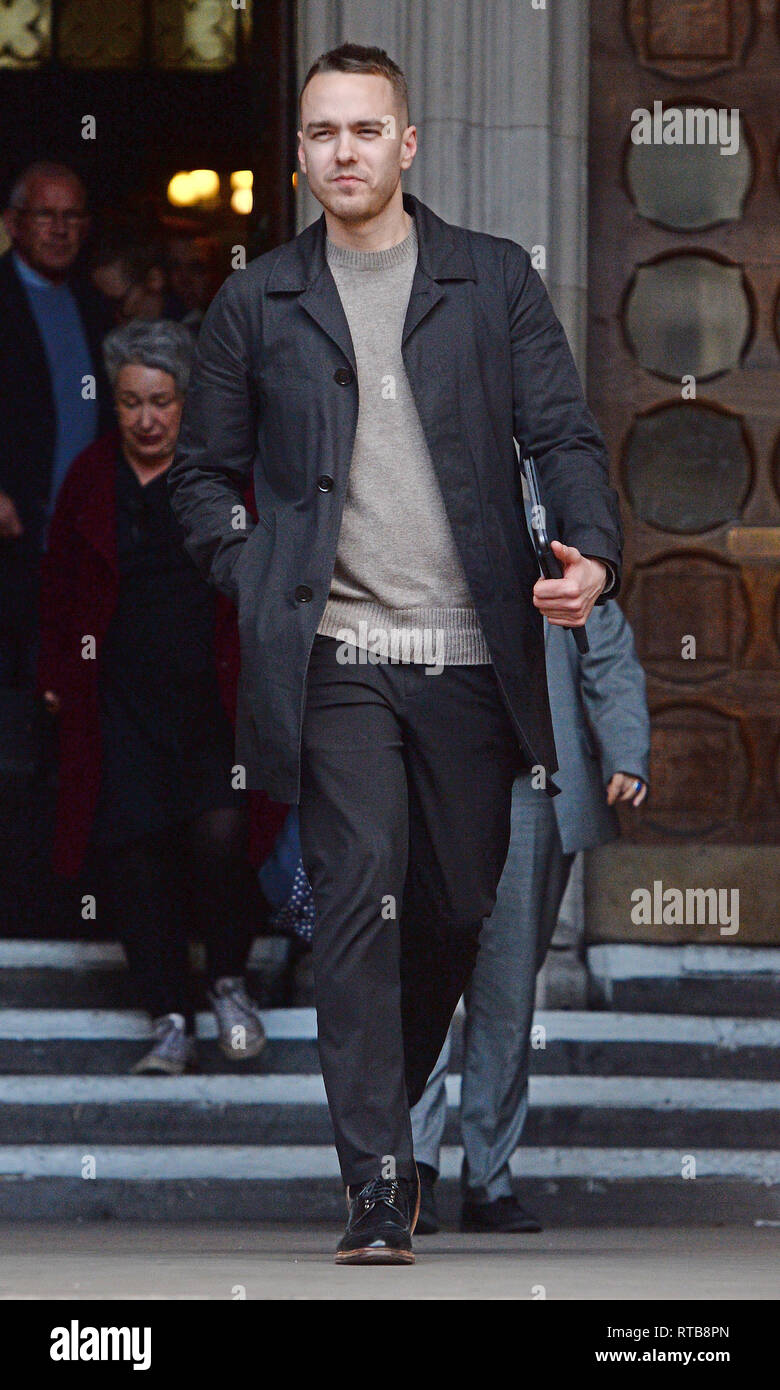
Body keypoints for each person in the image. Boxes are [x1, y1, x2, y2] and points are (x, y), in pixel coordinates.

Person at [166, 43, 623, 1264]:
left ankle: (384, 1116)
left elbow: (565, 433)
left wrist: (589, 550)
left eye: (368, 130)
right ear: (301, 152)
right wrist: (253, 570)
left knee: (458, 907)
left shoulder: (491, 281)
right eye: (323, 133)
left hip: (477, 658)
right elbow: (202, 475)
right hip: (338, 654)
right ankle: (380, 1178)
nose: (346, 151)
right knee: (360, 891)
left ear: (407, 145)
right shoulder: (259, 298)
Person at [35, 319, 288, 1074]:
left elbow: (269, 576)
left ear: (189, 403)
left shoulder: (225, 477)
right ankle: (168, 1015)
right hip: (119, 703)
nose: (146, 419)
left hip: (215, 698)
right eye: (130, 403)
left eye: (162, 402)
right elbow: (59, 584)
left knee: (221, 836)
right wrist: (56, 670)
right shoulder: (89, 476)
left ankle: (228, 983)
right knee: (136, 849)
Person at [410, 596, 650, 1234]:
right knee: (420, 980)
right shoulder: (418, 545)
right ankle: (409, 1172)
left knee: (507, 994)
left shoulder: (556, 558)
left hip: (530, 793)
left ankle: (489, 1179)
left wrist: (625, 752)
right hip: (429, 787)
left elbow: (607, 656)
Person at [0, 161, 114, 685]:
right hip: (12, 537)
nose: (60, 228)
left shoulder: (94, 305)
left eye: (72, 216)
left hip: (78, 543)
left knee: (70, 700)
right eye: (45, 215)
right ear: (13, 223)